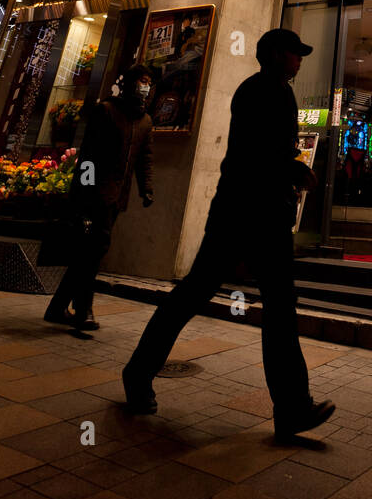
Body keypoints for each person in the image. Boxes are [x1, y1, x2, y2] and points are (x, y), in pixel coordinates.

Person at [121, 28, 334, 441]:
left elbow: (270, 152)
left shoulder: (275, 91)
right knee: (197, 293)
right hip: (240, 214)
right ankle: (138, 373)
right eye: (294, 53)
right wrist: (294, 170)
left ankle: (291, 408)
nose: (300, 60)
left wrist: (289, 174)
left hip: (263, 216)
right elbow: (258, 152)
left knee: (275, 305)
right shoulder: (258, 91)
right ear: (274, 54)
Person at [44, 65, 155, 331]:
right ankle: (84, 309)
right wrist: (85, 193)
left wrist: (146, 188)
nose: (146, 86)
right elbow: (88, 157)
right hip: (95, 194)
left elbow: (145, 159)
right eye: (142, 80)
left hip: (117, 197)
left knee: (88, 252)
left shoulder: (145, 121)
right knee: (93, 252)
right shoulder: (106, 111)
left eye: (149, 82)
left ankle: (58, 308)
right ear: (129, 83)